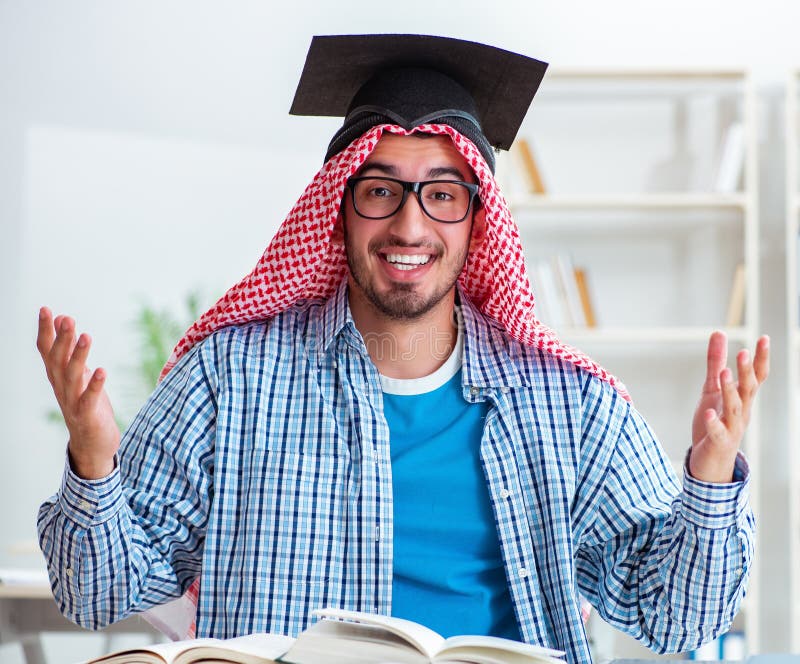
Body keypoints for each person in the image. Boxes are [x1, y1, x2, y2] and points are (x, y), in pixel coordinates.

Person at [36, 34, 769, 663]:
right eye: (380, 191)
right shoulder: (228, 378)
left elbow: (676, 621)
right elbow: (98, 594)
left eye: (442, 195)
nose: (410, 227)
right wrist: (94, 462)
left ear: (477, 220)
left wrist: (709, 484)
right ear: (338, 207)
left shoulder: (569, 404)